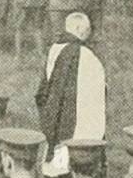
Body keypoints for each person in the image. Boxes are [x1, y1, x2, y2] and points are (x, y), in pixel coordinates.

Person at [36, 12, 106, 158]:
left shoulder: (54, 48)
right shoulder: (82, 54)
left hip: (53, 114)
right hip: (72, 117)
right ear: (78, 28)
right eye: (87, 29)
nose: (89, 33)